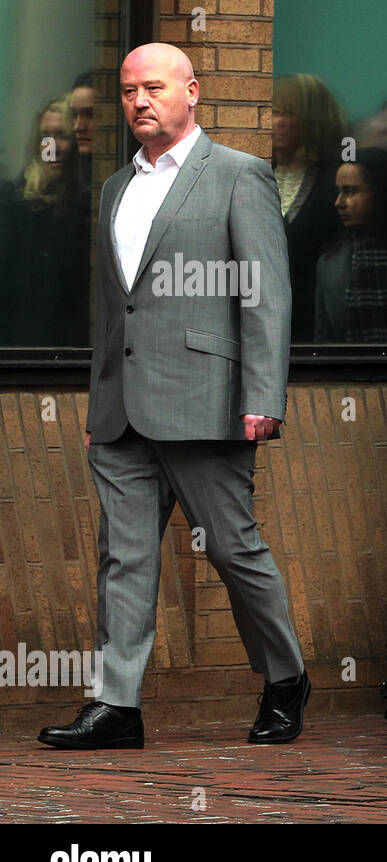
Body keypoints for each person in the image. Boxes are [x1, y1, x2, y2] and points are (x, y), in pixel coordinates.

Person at [38, 43, 306, 750]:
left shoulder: (241, 176)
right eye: (128, 91)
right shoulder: (113, 189)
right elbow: (113, 309)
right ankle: (117, 705)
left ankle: (285, 680)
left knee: (232, 548)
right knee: (123, 557)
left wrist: (263, 396)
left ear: (193, 90)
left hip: (209, 401)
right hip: (122, 410)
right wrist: (100, 406)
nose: (139, 102)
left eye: (153, 87)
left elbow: (265, 296)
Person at [0, 94, 90, 347]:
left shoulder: (86, 204)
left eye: (61, 135)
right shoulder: (21, 203)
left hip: (74, 347)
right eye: (45, 136)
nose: (53, 145)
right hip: (23, 345)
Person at [272, 73, 347, 341]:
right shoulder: (257, 174)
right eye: (273, 112)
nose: (274, 122)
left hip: (312, 330)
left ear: (309, 121)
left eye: (285, 114)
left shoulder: (333, 182)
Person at [314, 146, 387, 342]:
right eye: (338, 192)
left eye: (350, 191)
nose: (339, 202)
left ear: (381, 194)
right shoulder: (329, 264)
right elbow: (324, 341)